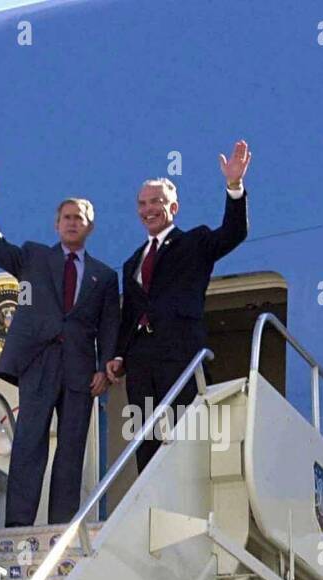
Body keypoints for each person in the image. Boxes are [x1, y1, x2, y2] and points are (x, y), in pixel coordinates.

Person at [0, 168, 120, 526]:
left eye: (79, 219)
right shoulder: (34, 257)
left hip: (81, 373)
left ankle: (60, 528)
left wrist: (104, 368)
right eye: (66, 218)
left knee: (70, 454)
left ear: (90, 227)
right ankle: (18, 527)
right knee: (28, 447)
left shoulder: (105, 276)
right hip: (38, 364)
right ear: (57, 225)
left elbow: (109, 325)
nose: (72, 223)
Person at [106, 140, 251, 471]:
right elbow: (130, 313)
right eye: (142, 203)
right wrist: (117, 354)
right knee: (147, 439)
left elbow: (234, 232)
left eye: (157, 201)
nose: (149, 208)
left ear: (174, 207)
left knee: (186, 434)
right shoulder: (132, 262)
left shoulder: (195, 242)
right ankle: (152, 505)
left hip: (180, 355)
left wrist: (234, 185)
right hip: (141, 363)